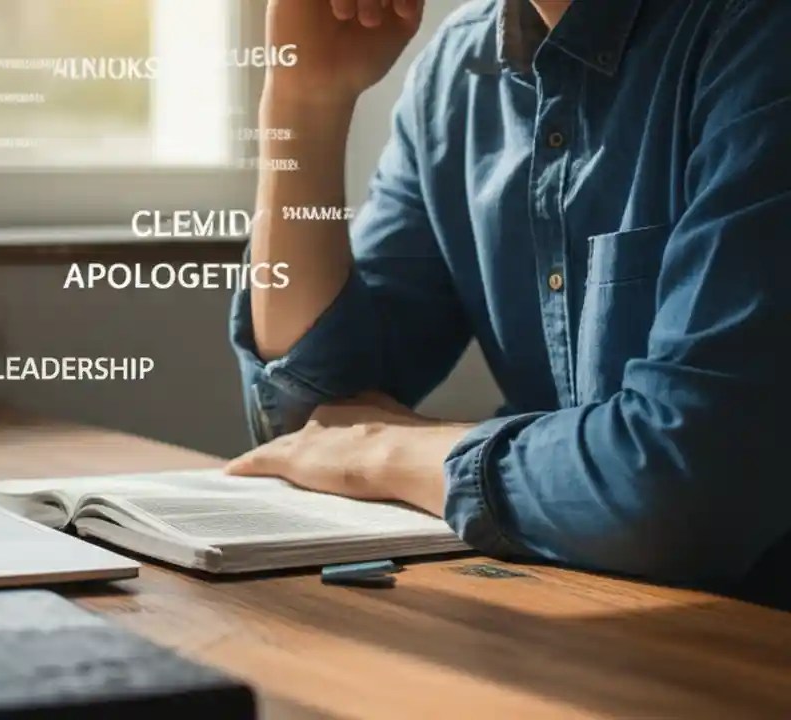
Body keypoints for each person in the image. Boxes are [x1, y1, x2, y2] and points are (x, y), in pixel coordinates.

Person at [226, 0, 791, 607]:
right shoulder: (458, 71)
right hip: (582, 621)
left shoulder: (758, 36)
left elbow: (687, 489)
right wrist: (302, 101)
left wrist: (383, 450)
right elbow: (310, 418)